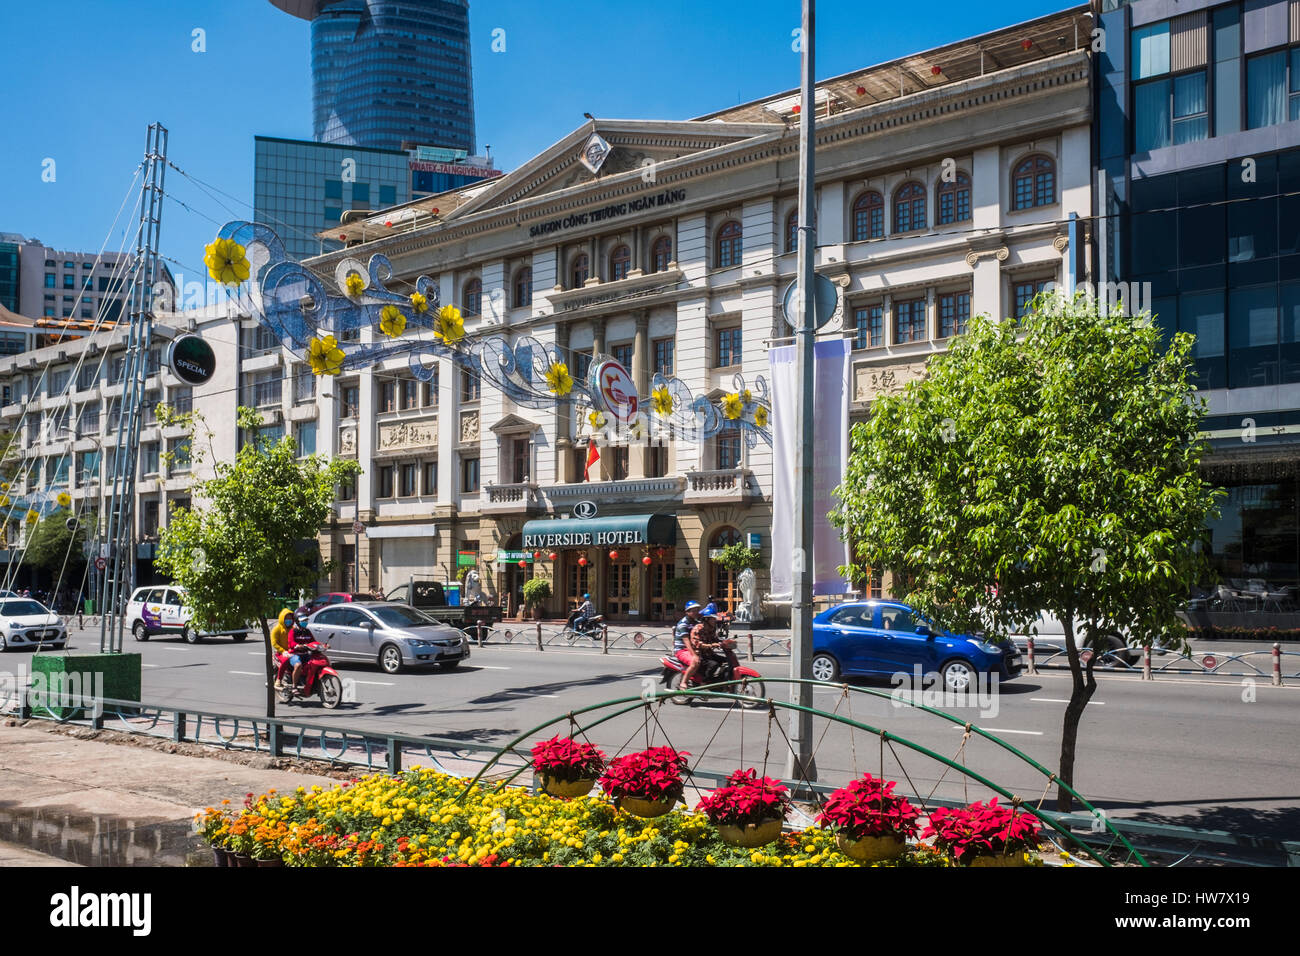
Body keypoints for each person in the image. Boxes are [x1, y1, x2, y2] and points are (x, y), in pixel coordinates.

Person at [270, 609, 293, 688]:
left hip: (292, 651)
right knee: (286, 660)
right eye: (287, 618)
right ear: (282, 618)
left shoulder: (293, 629)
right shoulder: (277, 629)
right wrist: (283, 651)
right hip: (280, 653)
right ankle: (279, 680)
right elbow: (274, 643)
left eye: (290, 618)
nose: (289, 620)